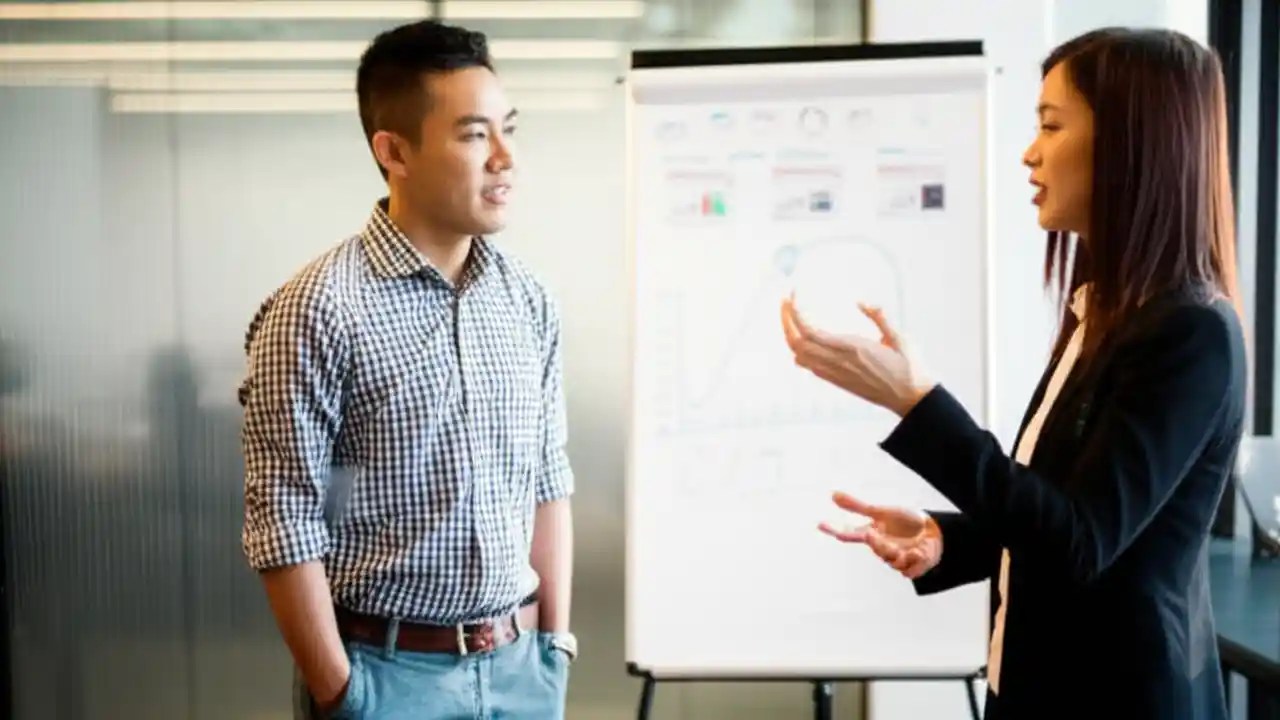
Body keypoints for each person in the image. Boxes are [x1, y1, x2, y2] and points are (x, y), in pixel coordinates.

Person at [781, 27, 1244, 720]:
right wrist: (952, 539)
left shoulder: (1190, 333)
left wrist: (916, 401)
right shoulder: (1103, 310)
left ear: (1129, 144)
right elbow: (1068, 515)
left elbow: (1083, 543)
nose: (1030, 153)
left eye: (1052, 126)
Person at [239, 20, 576, 720]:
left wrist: (554, 648)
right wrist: (344, 694)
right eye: (475, 135)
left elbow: (549, 480)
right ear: (394, 152)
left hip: (522, 672)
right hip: (387, 680)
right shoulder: (317, 309)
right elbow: (284, 522)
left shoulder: (528, 299)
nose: (506, 157)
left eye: (509, 129)